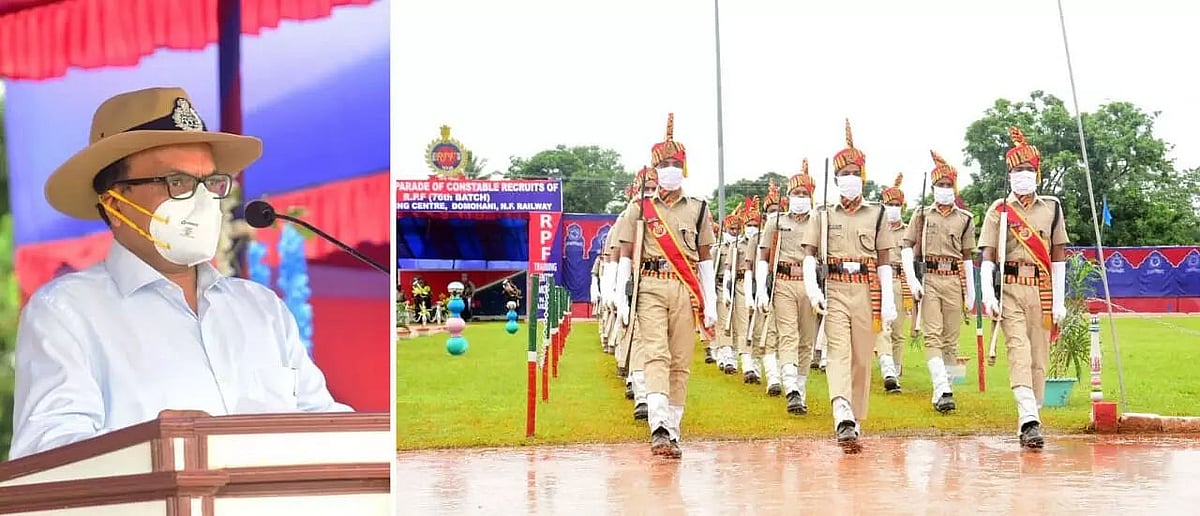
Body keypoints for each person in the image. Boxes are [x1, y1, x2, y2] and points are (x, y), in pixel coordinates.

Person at [10, 87, 351, 460]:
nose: (203, 200)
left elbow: (327, 427)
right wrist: (151, 446)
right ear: (114, 203)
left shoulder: (262, 308)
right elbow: (44, 453)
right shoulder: (66, 312)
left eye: (211, 183)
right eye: (178, 183)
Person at [614, 114, 717, 458]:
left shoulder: (700, 209)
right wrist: (620, 292)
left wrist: (711, 302)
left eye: (676, 163)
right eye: (665, 164)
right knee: (656, 353)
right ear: (655, 169)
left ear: (684, 167)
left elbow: (704, 260)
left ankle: (673, 427)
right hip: (651, 286)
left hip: (686, 291)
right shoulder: (639, 208)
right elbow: (626, 254)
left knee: (680, 361)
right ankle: (658, 426)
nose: (671, 168)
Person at [800, 119, 897, 453]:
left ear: (863, 176)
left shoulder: (878, 214)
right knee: (838, 352)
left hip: (867, 290)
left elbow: (884, 260)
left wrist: (888, 303)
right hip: (837, 289)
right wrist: (813, 290)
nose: (851, 179)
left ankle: (854, 418)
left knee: (860, 359)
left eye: (856, 173)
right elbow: (809, 256)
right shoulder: (822, 214)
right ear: (837, 178)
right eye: (845, 174)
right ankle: (841, 413)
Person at [978, 127, 1068, 449]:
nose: (1023, 175)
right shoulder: (998, 210)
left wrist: (1059, 299)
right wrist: (988, 295)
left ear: (1037, 172)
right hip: (1012, 289)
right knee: (1019, 350)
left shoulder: (1052, 208)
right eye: (1018, 170)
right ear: (1009, 173)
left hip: (1042, 292)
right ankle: (1029, 419)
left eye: (1029, 169)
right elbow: (987, 256)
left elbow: (1058, 256)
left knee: (1039, 359)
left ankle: (1030, 416)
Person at [902, 151, 977, 414]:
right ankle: (941, 387)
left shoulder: (965, 219)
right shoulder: (922, 215)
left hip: (954, 279)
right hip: (930, 278)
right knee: (932, 334)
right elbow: (907, 246)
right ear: (933, 187)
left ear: (954, 188)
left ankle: (946, 388)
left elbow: (967, 256)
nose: (944, 190)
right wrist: (912, 280)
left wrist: (972, 291)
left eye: (948, 185)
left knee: (952, 340)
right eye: (940, 185)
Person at [756, 159, 819, 414]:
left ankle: (800, 389)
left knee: (806, 340)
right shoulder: (776, 221)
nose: (800, 197)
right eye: (796, 193)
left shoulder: (818, 221)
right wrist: (762, 288)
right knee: (789, 335)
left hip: (809, 283)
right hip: (783, 281)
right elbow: (763, 255)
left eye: (804, 194)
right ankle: (791, 388)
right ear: (788, 195)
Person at [875, 173, 912, 394]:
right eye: (889, 204)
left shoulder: (908, 231)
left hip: (900, 282)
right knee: (881, 329)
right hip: (878, 281)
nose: (893, 208)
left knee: (898, 332)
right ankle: (887, 369)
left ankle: (895, 373)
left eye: (897, 204)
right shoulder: (876, 228)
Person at [753, 181, 787, 396]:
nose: (775, 214)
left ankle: (790, 380)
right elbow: (758, 263)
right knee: (768, 333)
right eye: (771, 211)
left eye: (778, 210)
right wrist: (760, 292)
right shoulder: (760, 235)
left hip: (794, 285)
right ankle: (773, 377)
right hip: (771, 284)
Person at [733, 196, 762, 385]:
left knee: (759, 326)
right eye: (749, 224)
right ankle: (747, 365)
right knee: (744, 324)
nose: (752, 227)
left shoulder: (765, 240)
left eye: (755, 224)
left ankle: (757, 365)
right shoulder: (737, 244)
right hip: (743, 284)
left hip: (762, 284)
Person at [713, 209, 743, 374]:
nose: (735, 232)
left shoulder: (744, 245)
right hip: (720, 287)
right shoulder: (718, 248)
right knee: (724, 322)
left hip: (739, 286)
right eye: (732, 229)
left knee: (738, 323)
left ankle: (732, 355)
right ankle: (726, 357)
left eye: (738, 229)